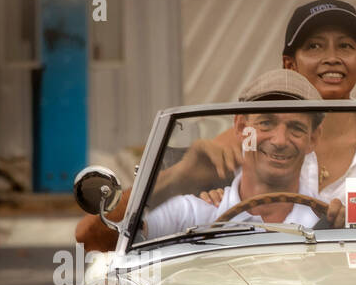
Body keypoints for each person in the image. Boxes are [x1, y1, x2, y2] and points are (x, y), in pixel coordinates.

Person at [77, 0, 356, 250]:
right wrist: (181, 179)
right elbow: (91, 237)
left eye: (346, 46)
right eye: (315, 46)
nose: (277, 141)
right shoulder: (229, 155)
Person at [140, 70, 341, 240]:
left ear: (313, 139)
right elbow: (111, 239)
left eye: (296, 128)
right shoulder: (191, 214)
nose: (280, 140)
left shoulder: (329, 222)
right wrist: (181, 175)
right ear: (241, 127)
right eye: (266, 123)